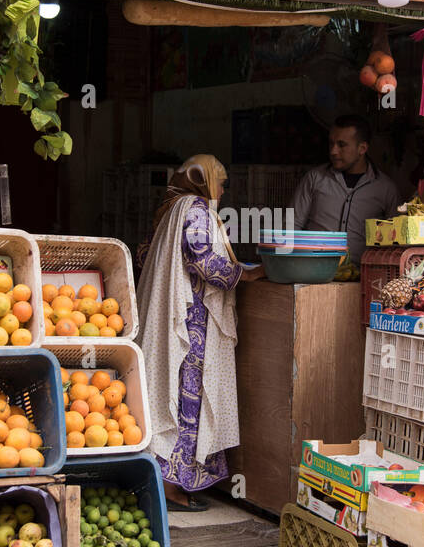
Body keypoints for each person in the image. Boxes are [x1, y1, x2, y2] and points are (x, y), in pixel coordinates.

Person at [137, 155, 265, 512]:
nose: (222, 191)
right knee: (187, 398)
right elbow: (204, 261)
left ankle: (158, 477)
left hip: (171, 315)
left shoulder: (169, 207)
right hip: (192, 319)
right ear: (203, 181)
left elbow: (144, 254)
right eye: (219, 183)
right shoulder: (194, 207)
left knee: (167, 396)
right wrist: (249, 274)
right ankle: (173, 485)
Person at [290, 114, 399, 266]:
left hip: (364, 275)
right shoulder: (314, 179)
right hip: (314, 272)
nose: (333, 151)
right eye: (331, 144)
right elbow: (291, 226)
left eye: (342, 145)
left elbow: (395, 241)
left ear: (362, 148)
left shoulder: (385, 189)